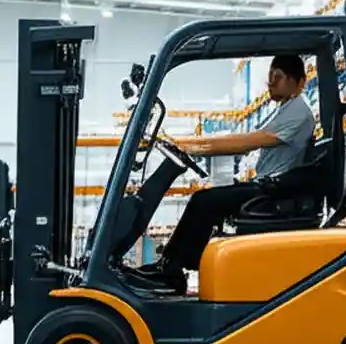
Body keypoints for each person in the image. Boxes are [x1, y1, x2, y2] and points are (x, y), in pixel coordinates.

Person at [135, 54, 315, 287]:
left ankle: (172, 268)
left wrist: (196, 145)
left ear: (297, 81)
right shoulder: (285, 109)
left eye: (277, 77)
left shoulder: (298, 110)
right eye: (270, 77)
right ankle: (171, 264)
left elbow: (249, 142)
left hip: (273, 191)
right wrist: (195, 146)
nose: (270, 83)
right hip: (270, 186)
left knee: (204, 201)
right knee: (206, 200)